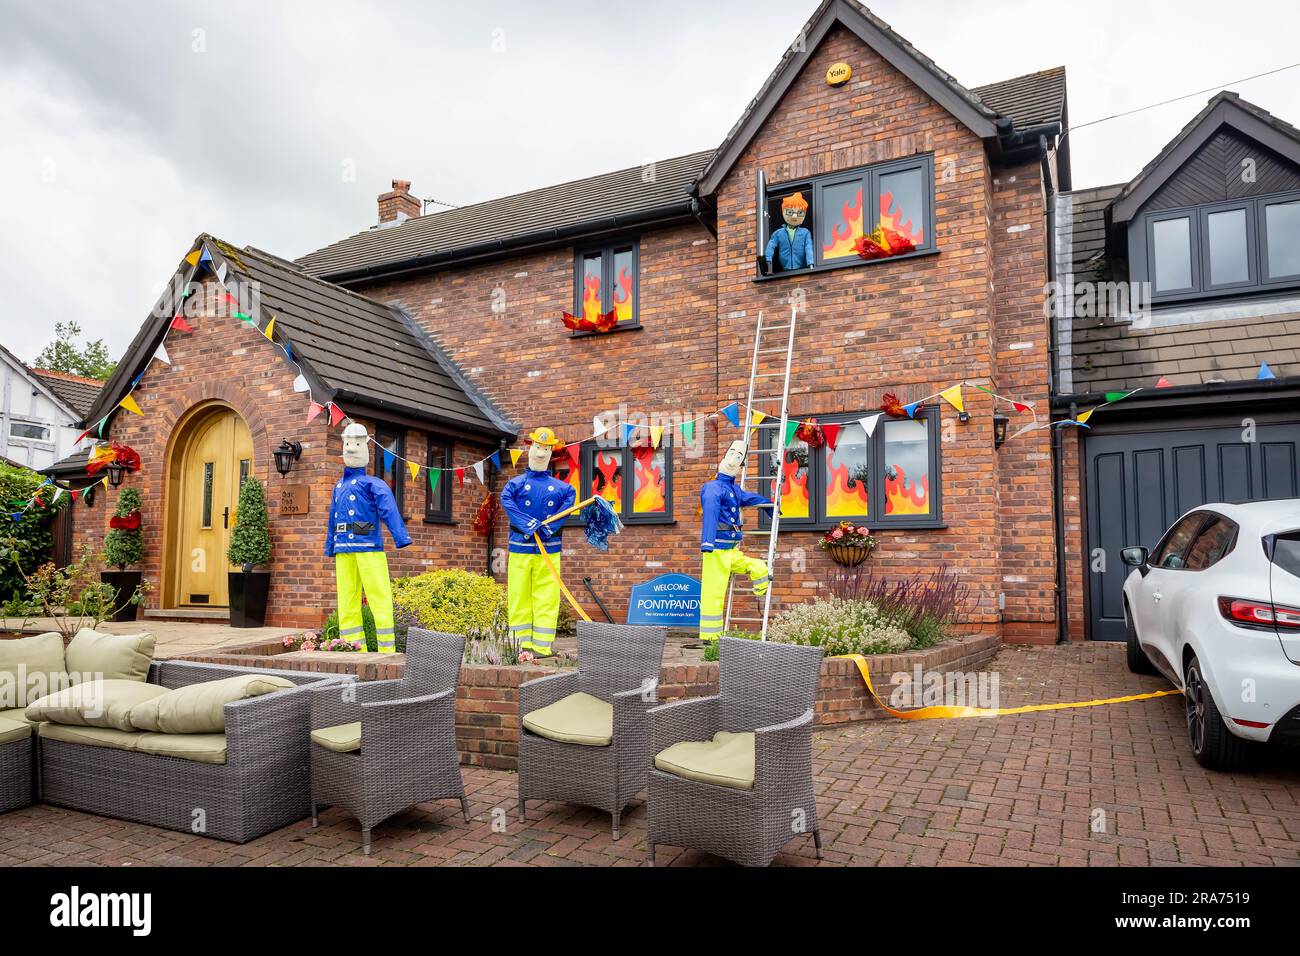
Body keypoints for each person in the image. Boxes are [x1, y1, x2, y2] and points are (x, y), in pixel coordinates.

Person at [327, 422, 411, 653]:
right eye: (347, 443)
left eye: (355, 443)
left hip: (368, 546)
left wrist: (400, 537)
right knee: (347, 600)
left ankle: (387, 651)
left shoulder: (373, 484)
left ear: (365, 446)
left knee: (379, 596)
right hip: (343, 547)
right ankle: (353, 648)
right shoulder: (338, 487)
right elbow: (332, 518)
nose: (350, 448)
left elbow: (389, 510)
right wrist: (330, 546)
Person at [500, 427, 576, 658]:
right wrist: (530, 525)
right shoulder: (514, 486)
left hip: (549, 550)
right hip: (520, 548)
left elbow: (566, 508)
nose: (541, 453)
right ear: (529, 447)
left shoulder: (565, 489)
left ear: (552, 452)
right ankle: (518, 643)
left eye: (546, 448)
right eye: (537, 447)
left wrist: (549, 528)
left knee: (547, 596)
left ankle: (542, 645)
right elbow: (508, 503)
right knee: (518, 595)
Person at [698, 439, 773, 643]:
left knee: (751, 565)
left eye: (739, 457)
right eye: (732, 454)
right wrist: (707, 542)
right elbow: (710, 514)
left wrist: (771, 506)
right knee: (713, 593)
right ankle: (710, 637)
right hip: (716, 549)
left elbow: (751, 497)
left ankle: (761, 577)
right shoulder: (713, 487)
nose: (734, 459)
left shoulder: (733, 490)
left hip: (730, 548)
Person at [763, 191, 815, 272]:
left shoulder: (805, 232)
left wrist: (811, 263)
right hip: (785, 269)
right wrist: (768, 260)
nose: (794, 216)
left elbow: (808, 248)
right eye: (790, 212)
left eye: (799, 213)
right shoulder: (778, 233)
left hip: (802, 268)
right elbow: (770, 246)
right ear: (783, 211)